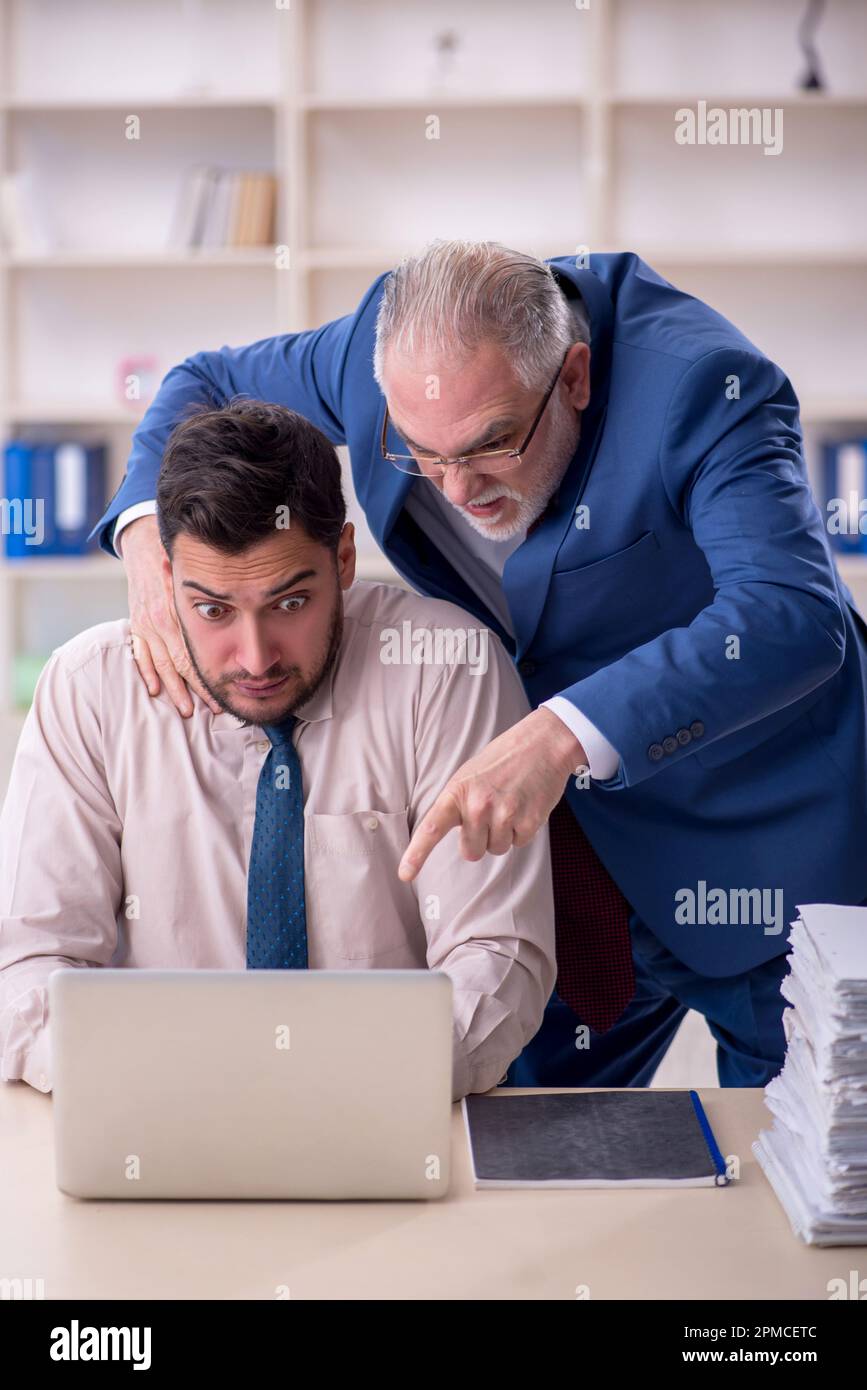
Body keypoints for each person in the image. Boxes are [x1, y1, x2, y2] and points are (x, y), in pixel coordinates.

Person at [92, 239, 867, 1088]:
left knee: (795, 1190)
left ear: (573, 377)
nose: (454, 489)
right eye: (420, 452)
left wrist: (559, 737)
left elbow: (789, 617)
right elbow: (201, 382)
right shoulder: (381, 357)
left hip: (766, 854)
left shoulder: (704, 387)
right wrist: (142, 540)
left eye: (491, 445)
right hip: (567, 871)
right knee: (520, 1170)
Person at [0, 400, 556, 1097]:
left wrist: (342, 1087)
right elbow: (30, 964)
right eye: (212, 611)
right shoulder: (90, 689)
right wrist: (149, 1084)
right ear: (164, 580)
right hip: (157, 1117)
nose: (255, 656)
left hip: (385, 1110)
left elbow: (497, 955)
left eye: (289, 603)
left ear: (344, 560)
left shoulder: (447, 669)